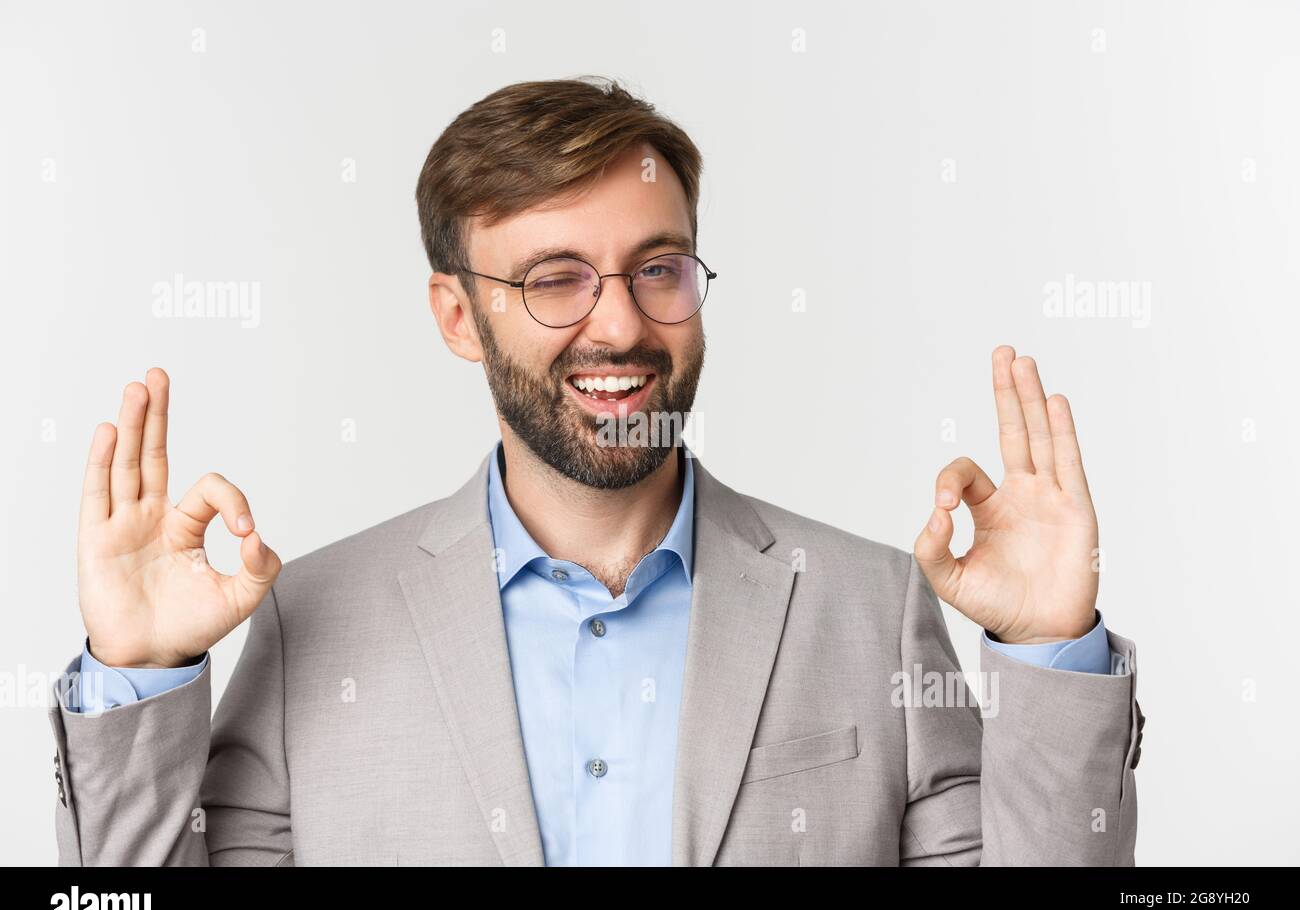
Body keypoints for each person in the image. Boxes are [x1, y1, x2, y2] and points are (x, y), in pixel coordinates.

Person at [50, 77, 1142, 866]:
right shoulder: (312, 621)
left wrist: (1051, 651)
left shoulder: (868, 603)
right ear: (457, 315)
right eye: (553, 280)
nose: (618, 324)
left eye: (656, 268)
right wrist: (139, 675)